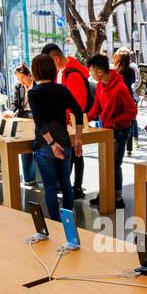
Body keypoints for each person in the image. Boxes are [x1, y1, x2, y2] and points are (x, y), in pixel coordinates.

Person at [26, 51, 84, 219]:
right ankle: (67, 220)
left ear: (35, 72)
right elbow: (78, 112)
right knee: (66, 184)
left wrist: (51, 144)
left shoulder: (34, 93)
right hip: (65, 143)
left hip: (46, 146)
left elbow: (40, 122)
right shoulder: (62, 90)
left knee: (50, 187)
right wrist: (78, 138)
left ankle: (55, 223)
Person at [40, 43, 92, 198]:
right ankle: (72, 187)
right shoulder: (62, 72)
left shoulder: (72, 74)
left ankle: (76, 187)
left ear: (56, 59)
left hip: (72, 124)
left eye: (48, 62)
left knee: (76, 154)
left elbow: (77, 104)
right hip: (67, 124)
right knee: (75, 155)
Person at [87, 53, 137, 209]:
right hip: (106, 131)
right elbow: (97, 106)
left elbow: (132, 111)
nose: (90, 74)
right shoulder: (101, 86)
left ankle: (117, 197)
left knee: (115, 164)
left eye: (91, 71)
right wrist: (85, 119)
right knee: (105, 163)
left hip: (120, 131)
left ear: (99, 71)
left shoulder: (120, 88)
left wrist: (115, 122)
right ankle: (104, 194)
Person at [3, 63, 37, 184]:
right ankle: (29, 178)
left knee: (35, 146)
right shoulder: (19, 87)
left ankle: (37, 175)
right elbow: (15, 103)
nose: (20, 81)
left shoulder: (37, 86)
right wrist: (10, 111)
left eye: (22, 78)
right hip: (23, 117)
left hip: (36, 117)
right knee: (24, 147)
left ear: (29, 75)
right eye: (18, 79)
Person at [113, 48, 139, 150]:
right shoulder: (131, 70)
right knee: (130, 122)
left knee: (119, 122)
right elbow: (133, 82)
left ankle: (117, 144)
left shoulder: (115, 72)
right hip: (129, 97)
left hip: (118, 99)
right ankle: (129, 148)